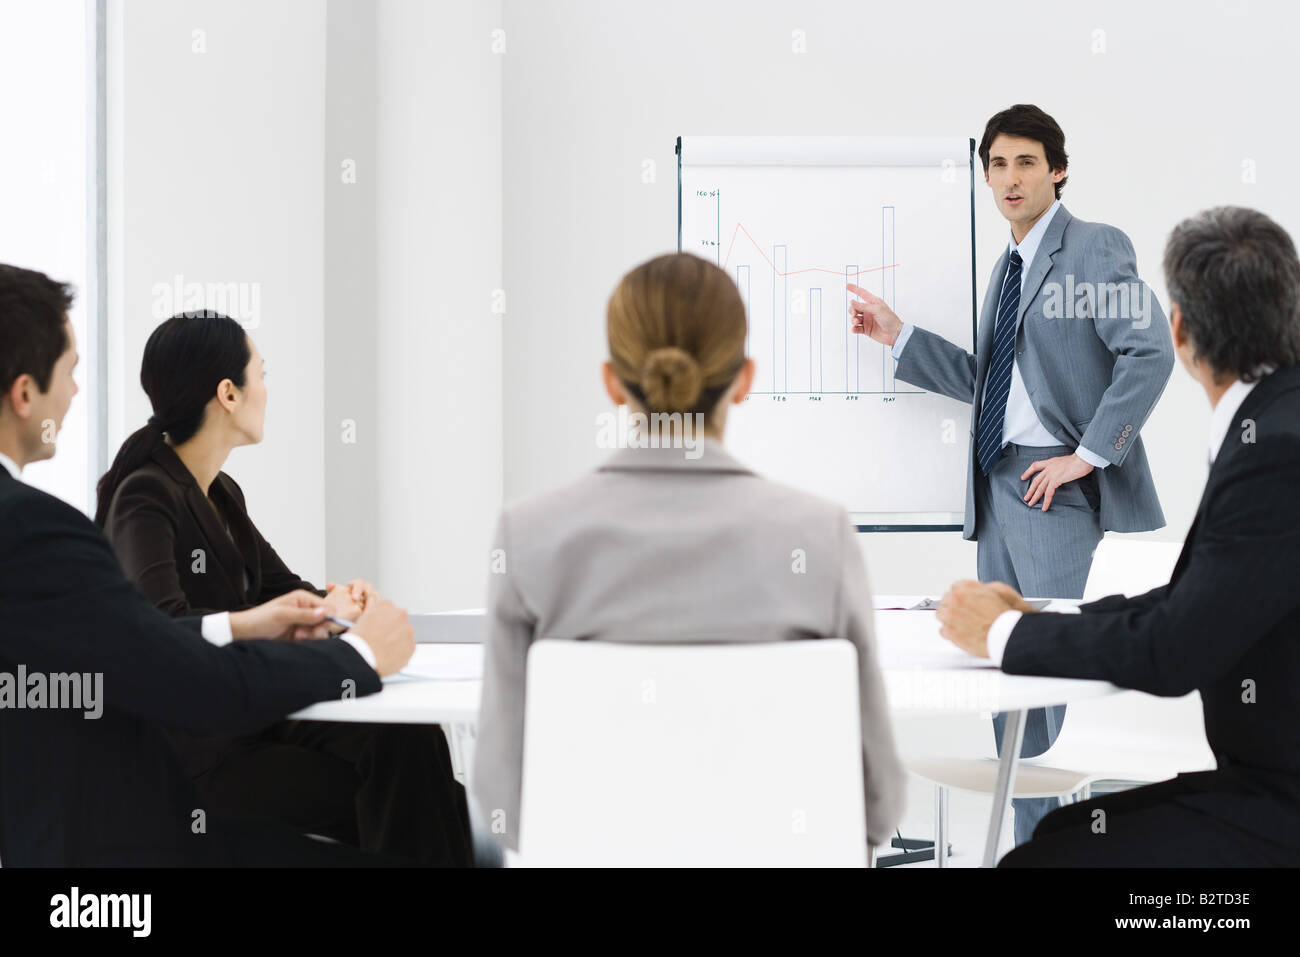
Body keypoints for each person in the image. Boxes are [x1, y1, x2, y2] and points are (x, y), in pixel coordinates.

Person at [472, 251, 906, 854]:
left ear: (611, 383)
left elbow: (503, 804)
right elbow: (878, 803)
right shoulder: (817, 536)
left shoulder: (529, 534)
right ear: (746, 379)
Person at [0, 262, 417, 866]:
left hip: (97, 811)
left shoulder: (222, 494)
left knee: (411, 765)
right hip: (133, 823)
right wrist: (360, 655)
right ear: (23, 394)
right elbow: (173, 666)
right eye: (71, 373)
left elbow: (176, 634)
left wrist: (304, 611)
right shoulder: (44, 525)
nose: (75, 393)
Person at [848, 104, 1174, 842]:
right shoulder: (1008, 266)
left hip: (1054, 493)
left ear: (1057, 169)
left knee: (1053, 679)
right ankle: (1033, 847)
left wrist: (1085, 456)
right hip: (998, 489)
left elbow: (1150, 352)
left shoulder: (1091, 248)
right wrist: (898, 338)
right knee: (1006, 679)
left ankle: (1073, 848)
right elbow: (993, 381)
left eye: (1026, 162)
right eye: (996, 164)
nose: (1009, 177)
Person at [937, 206, 1300, 866]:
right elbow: (1185, 606)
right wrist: (1030, 621)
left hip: (1277, 803)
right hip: (1261, 780)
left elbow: (1175, 647)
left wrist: (1003, 634)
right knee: (1055, 837)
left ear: (1180, 330)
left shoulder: (1275, 450)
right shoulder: (1275, 421)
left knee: (1036, 860)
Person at [97, 311, 473, 867]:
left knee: (409, 742)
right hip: (197, 753)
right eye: (262, 375)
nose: (267, 392)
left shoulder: (222, 492)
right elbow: (161, 632)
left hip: (252, 719)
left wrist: (338, 601)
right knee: (413, 800)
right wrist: (286, 618)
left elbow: (283, 590)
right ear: (228, 393)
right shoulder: (146, 496)